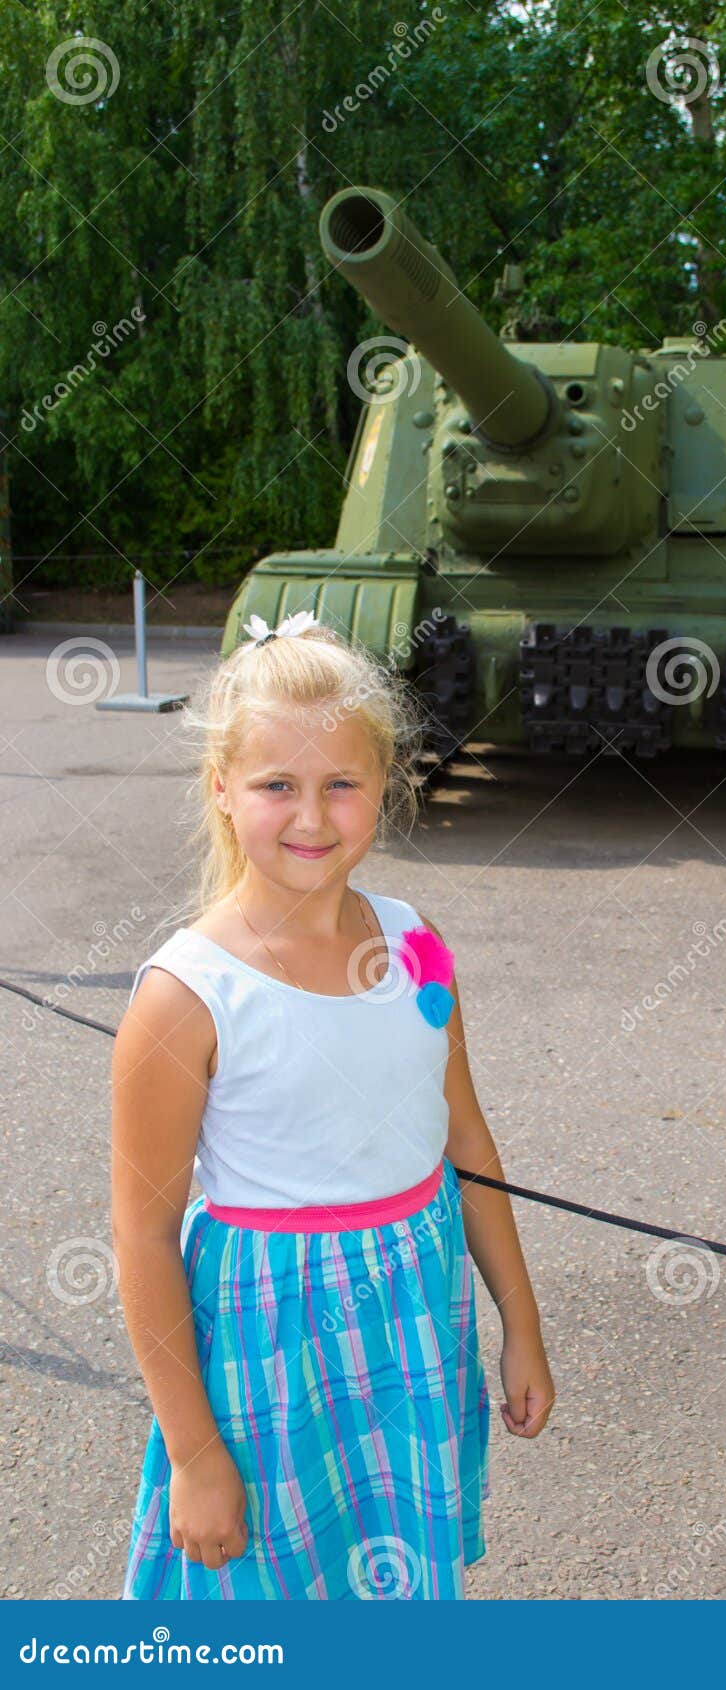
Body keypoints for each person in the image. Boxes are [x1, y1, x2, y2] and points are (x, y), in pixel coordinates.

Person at [111, 610, 554, 1599]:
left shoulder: (416, 942)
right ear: (221, 788)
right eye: (277, 784)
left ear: (384, 783)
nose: (310, 816)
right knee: (266, 1593)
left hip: (412, 1311)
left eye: (340, 784)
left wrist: (519, 1323)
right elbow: (141, 1234)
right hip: (272, 1347)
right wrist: (193, 1452)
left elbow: (464, 1135)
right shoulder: (185, 997)